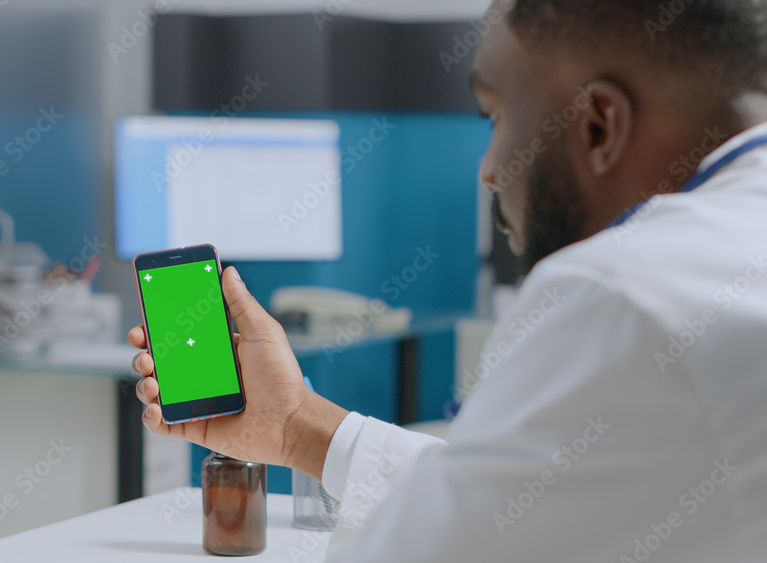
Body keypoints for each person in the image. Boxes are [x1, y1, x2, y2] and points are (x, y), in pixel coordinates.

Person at [129, 1, 767, 560]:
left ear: (598, 126)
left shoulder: (618, 293)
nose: (489, 171)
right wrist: (296, 427)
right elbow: (526, 506)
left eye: (495, 116)